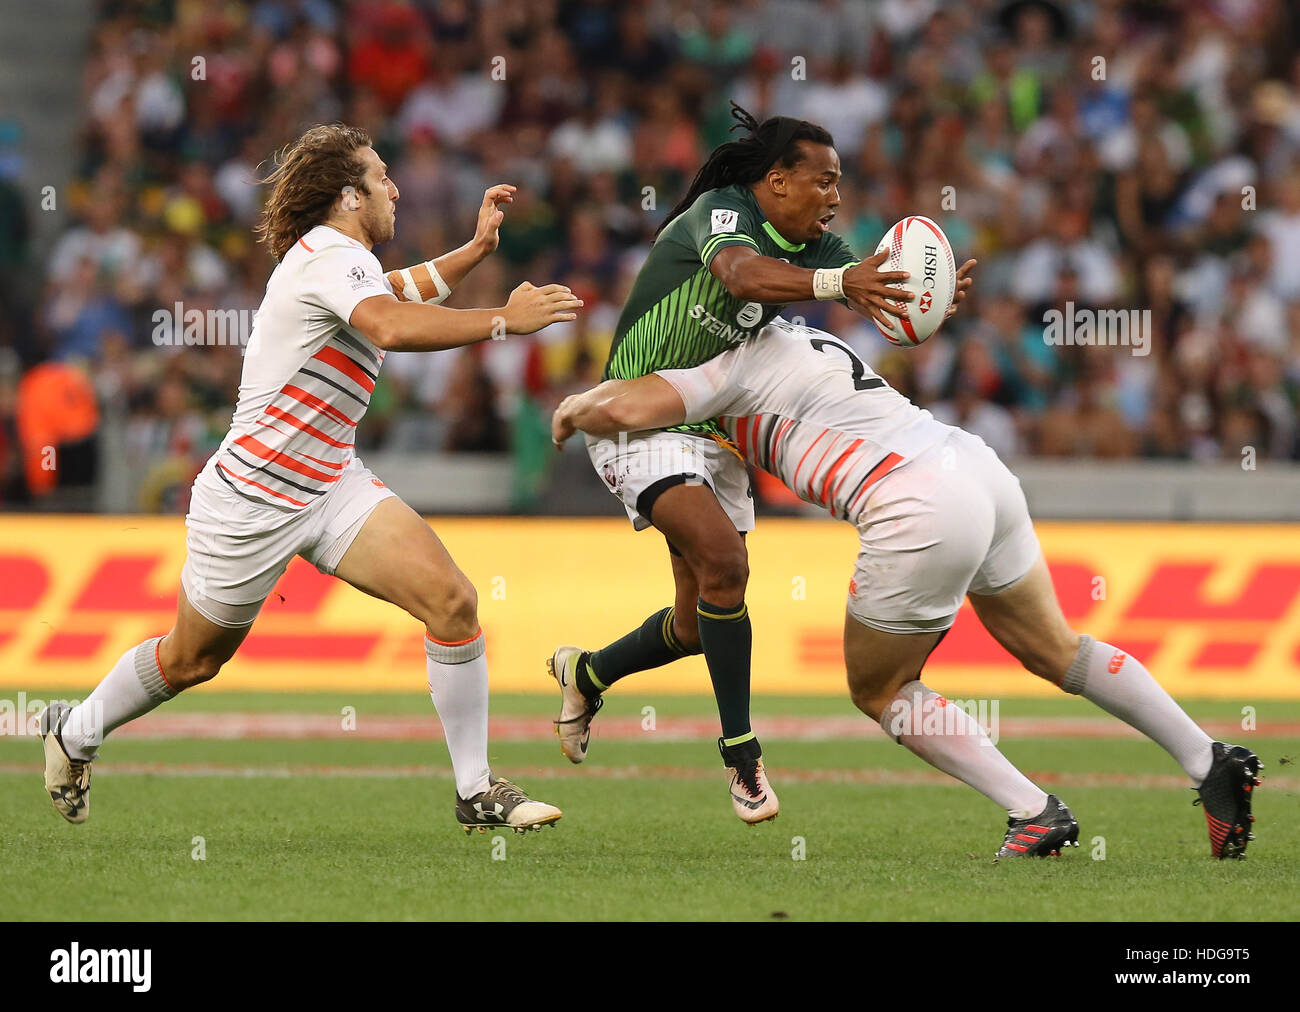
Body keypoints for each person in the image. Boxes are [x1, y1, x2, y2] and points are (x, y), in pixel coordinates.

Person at [39, 124, 583, 835]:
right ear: (350, 196)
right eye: (382, 176)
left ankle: (476, 790)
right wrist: (502, 323)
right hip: (252, 498)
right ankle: (74, 733)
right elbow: (389, 324)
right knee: (191, 660)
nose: (395, 188)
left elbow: (400, 289)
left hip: (329, 484)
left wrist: (477, 252)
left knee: (452, 602)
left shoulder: (342, 262)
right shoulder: (330, 255)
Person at [552, 314, 1263, 859]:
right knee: (1055, 648)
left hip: (914, 504)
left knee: (881, 689)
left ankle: (1033, 812)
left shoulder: (727, 364)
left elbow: (626, 408)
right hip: (973, 466)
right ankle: (1208, 759)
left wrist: (577, 406)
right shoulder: (809, 335)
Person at [549, 103, 912, 824]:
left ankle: (586, 673)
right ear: (777, 181)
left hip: (713, 426)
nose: (835, 197)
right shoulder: (721, 212)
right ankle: (742, 756)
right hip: (636, 415)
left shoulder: (816, 247)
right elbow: (743, 276)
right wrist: (841, 285)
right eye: (824, 181)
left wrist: (923, 301)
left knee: (694, 622)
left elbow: (877, 293)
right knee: (726, 563)